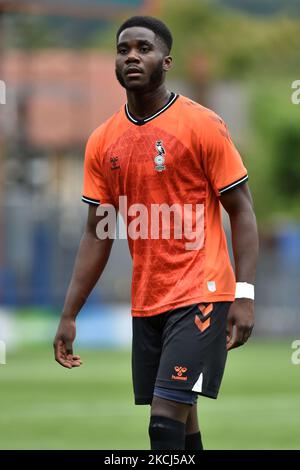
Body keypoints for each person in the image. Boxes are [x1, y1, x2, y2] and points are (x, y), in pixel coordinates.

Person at [53, 16, 259, 450]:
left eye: (143, 48)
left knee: (162, 423)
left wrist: (244, 294)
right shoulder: (102, 141)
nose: (131, 55)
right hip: (148, 300)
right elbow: (97, 233)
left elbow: (241, 210)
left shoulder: (202, 125)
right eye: (123, 49)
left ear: (165, 61)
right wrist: (70, 313)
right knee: (183, 426)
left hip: (202, 293)